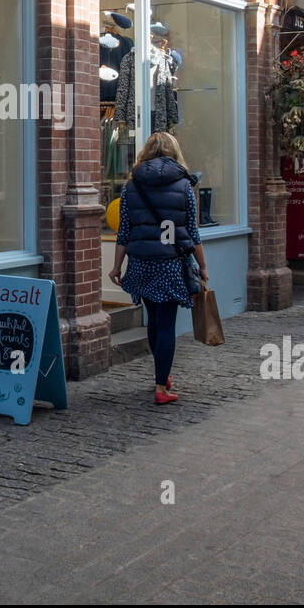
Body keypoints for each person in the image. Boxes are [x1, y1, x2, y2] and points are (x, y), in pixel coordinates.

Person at [110, 132, 208, 405]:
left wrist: (116, 266)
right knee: (167, 324)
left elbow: (124, 231)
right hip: (170, 264)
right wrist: (202, 266)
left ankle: (161, 375)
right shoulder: (184, 185)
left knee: (153, 320)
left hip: (141, 262)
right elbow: (192, 231)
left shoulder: (132, 186)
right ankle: (161, 387)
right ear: (174, 152)